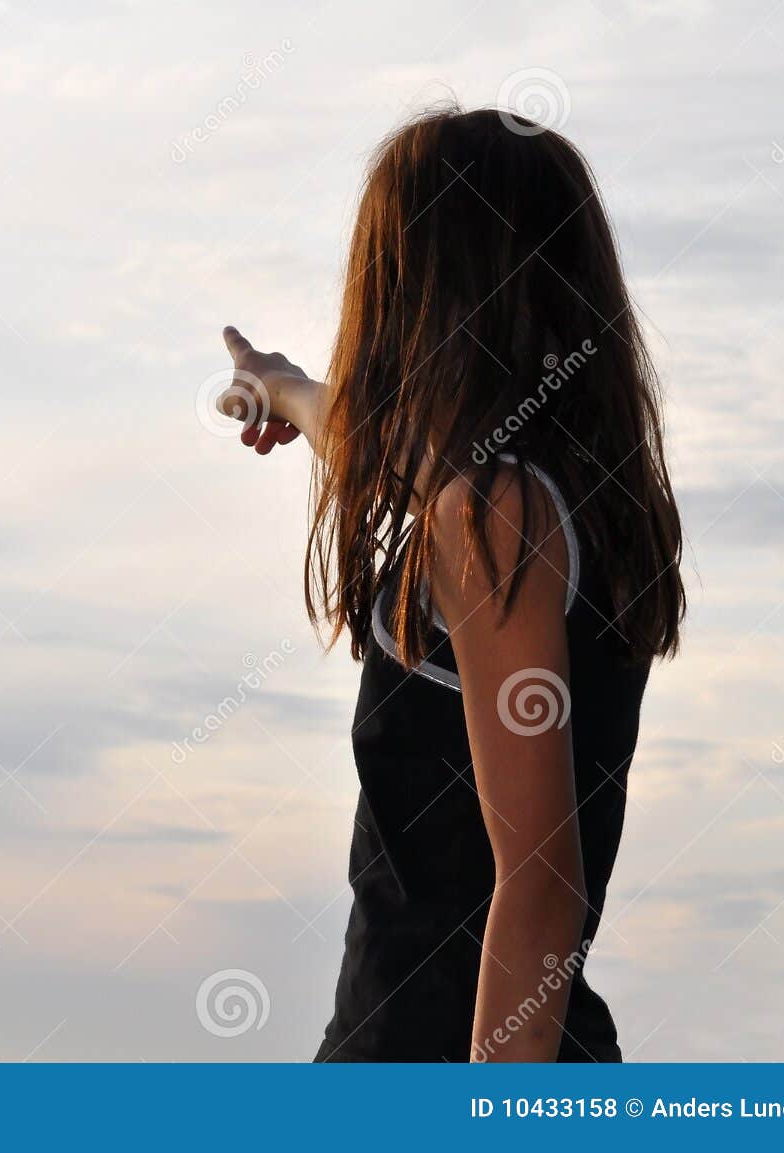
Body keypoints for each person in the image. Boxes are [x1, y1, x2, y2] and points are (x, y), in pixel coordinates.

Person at [214, 106, 686, 1061]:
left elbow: (545, 885)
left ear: (430, 291)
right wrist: (290, 388)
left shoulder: (493, 515)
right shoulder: (542, 498)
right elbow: (378, 448)